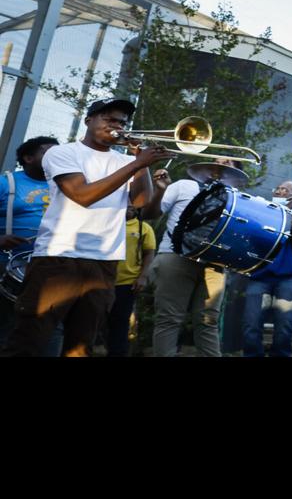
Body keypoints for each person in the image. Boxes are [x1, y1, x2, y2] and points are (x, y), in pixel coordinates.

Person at [0, 98, 168, 357]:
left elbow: (141, 203)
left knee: (81, 347)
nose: (117, 126)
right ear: (89, 120)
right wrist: (136, 164)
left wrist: (140, 163)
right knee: (29, 340)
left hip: (104, 262)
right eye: (109, 119)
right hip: (58, 258)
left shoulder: (124, 161)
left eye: (122, 122)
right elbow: (81, 195)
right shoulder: (63, 152)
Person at [149, 159, 245, 358]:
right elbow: (151, 213)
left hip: (215, 263)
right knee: (169, 318)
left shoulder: (239, 199)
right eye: (216, 162)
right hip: (175, 256)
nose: (219, 165)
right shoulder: (184, 186)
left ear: (236, 176)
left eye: (227, 164)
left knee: (209, 320)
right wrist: (159, 190)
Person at [240, 181, 292, 357]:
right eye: (278, 188)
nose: (280, 191)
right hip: (259, 275)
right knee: (251, 324)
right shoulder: (264, 211)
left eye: (285, 190)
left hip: (289, 278)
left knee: (285, 326)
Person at [0, 135, 58, 346]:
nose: (54, 157)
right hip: (8, 265)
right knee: (6, 326)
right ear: (28, 157)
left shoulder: (65, 186)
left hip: (50, 267)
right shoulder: (6, 182)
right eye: (47, 152)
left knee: (47, 329)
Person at [104, 206, 157, 357]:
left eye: (133, 204)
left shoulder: (143, 227)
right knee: (94, 321)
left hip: (127, 283)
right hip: (102, 281)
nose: (130, 206)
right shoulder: (108, 222)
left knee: (120, 322)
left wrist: (142, 277)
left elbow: (149, 253)